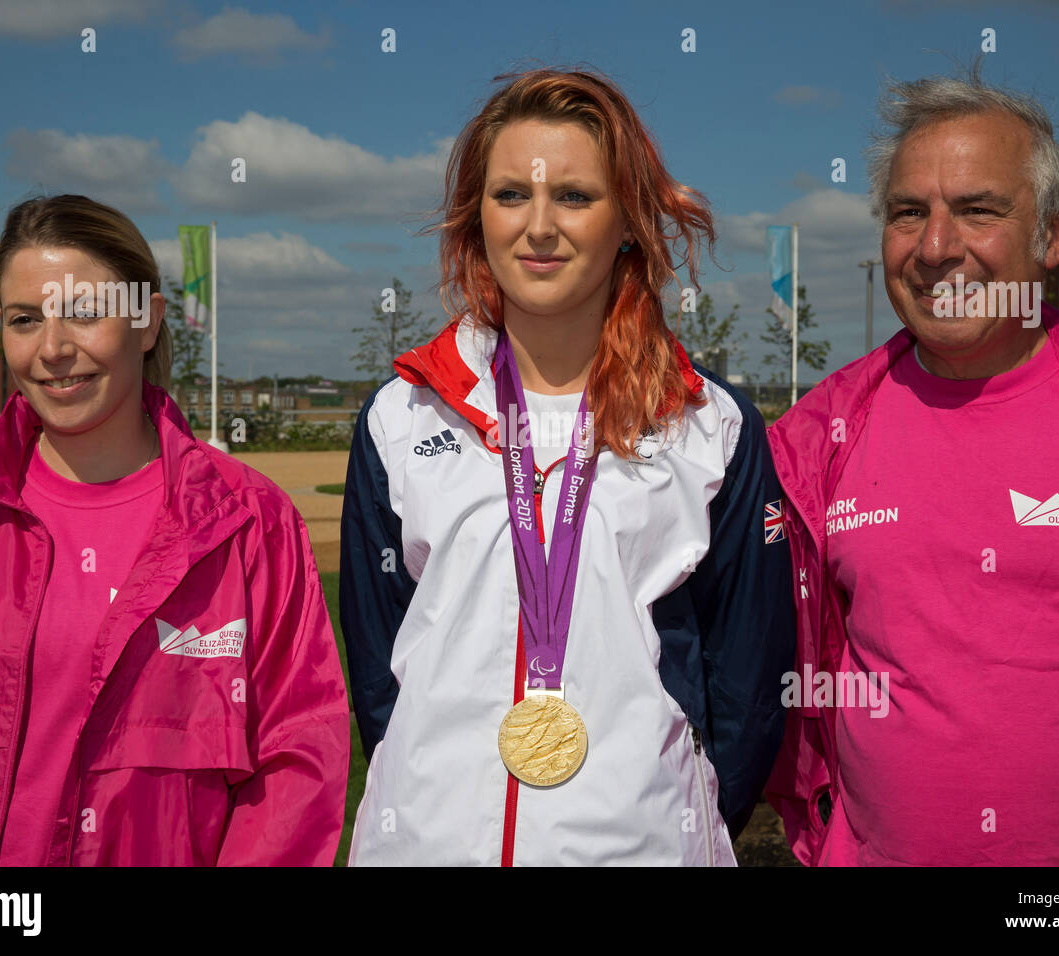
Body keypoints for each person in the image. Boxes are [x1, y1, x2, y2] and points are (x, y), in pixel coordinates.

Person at [340, 69, 794, 866]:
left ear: (628, 220)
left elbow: (749, 686)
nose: (539, 227)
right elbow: (379, 676)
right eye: (511, 195)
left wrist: (660, 813)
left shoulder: (709, 425)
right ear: (475, 217)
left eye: (575, 197)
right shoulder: (400, 416)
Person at [764, 67, 1059, 866]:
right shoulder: (813, 439)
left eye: (977, 210)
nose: (934, 248)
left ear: (1054, 237)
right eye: (908, 213)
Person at [0, 194, 349, 865]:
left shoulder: (248, 523)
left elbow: (295, 769)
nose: (52, 349)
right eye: (25, 320)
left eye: (82, 313)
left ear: (147, 322)